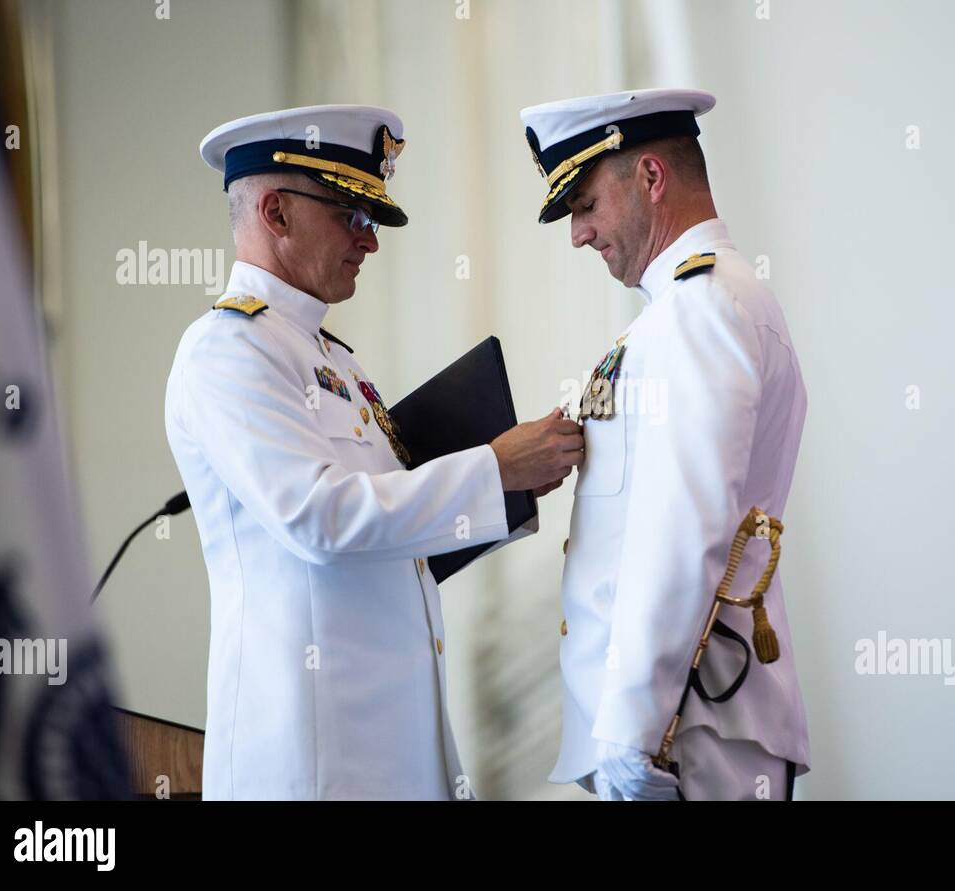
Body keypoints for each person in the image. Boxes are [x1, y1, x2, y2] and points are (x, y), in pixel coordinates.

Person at [165, 105, 583, 799]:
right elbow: (320, 519)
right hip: (314, 766)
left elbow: (383, 545)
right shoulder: (227, 350)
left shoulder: (332, 358)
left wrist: (502, 488)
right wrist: (493, 468)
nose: (371, 241)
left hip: (391, 756)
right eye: (351, 214)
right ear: (275, 212)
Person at [519, 88, 811, 800]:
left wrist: (633, 730)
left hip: (686, 728)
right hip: (687, 722)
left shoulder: (700, 308)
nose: (578, 234)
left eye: (585, 205)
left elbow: (685, 526)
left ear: (651, 177)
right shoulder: (691, 306)